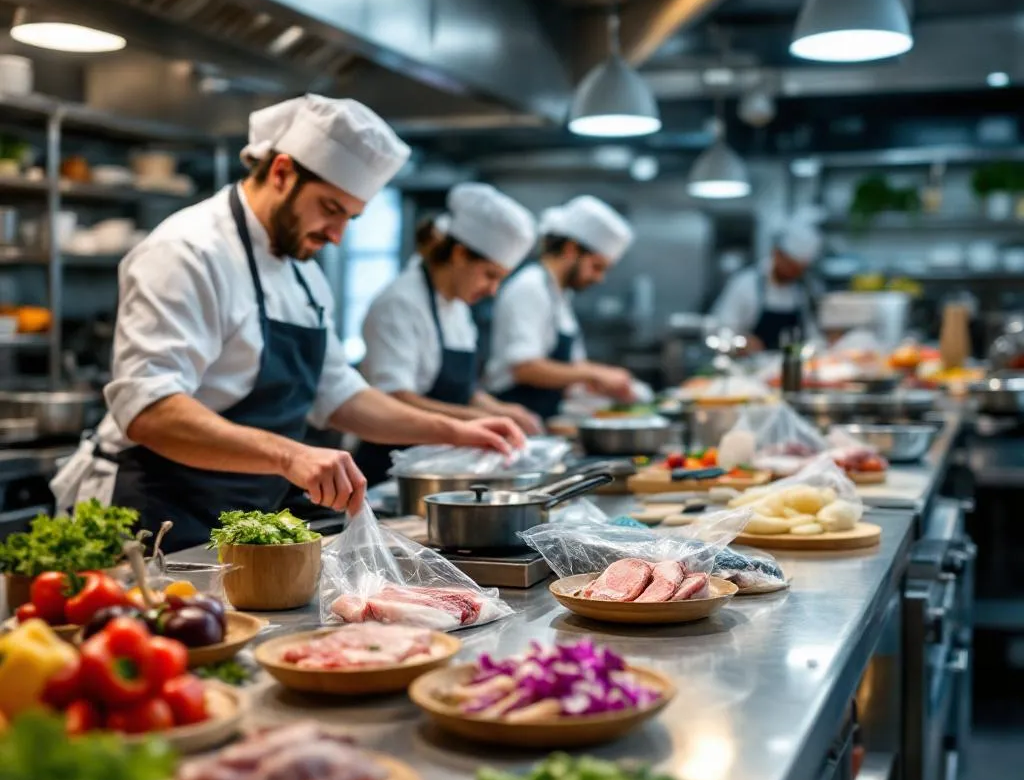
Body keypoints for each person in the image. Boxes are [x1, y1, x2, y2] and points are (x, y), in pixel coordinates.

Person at [51, 95, 524, 552]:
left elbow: (339, 394)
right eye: (331, 209)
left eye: (351, 218)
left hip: (240, 514)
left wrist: (452, 430)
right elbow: (149, 411)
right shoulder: (185, 252)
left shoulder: (303, 272)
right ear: (281, 173)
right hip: (155, 511)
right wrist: (289, 455)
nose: (337, 236)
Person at [355, 183, 542, 486]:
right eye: (490, 275)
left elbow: (461, 390)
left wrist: (502, 410)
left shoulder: (456, 307)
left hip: (440, 467)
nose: (493, 290)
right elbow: (394, 398)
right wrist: (473, 422)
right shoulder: (399, 303)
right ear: (458, 254)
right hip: (393, 473)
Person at [484, 195, 637, 421]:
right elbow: (525, 367)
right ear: (571, 249)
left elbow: (572, 366)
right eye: (596, 267)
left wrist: (599, 381)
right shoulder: (530, 288)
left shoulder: (559, 294)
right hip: (517, 416)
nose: (600, 278)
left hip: (544, 417)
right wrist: (594, 373)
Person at [711, 217, 823, 352]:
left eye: (800, 270)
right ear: (776, 254)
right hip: (749, 369)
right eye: (791, 267)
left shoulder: (804, 290)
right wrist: (741, 342)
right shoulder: (745, 285)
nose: (794, 274)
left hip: (794, 368)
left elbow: (813, 335)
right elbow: (719, 332)